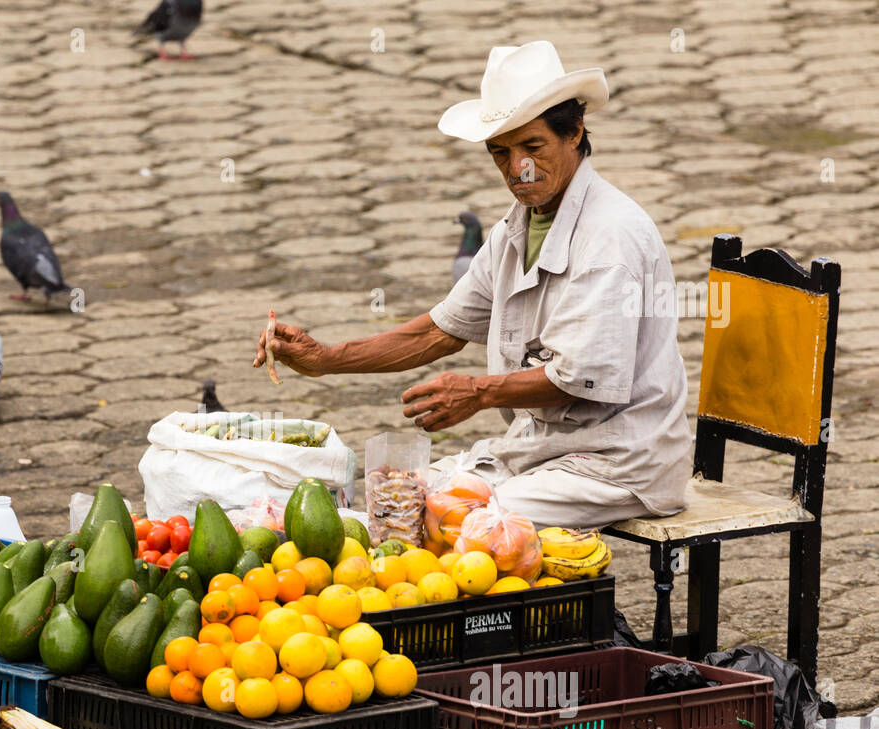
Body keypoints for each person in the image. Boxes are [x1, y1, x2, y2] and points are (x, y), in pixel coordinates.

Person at [254, 41, 691, 530]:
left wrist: (480, 393)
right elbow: (440, 332)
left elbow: (578, 379)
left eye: (533, 147)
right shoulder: (515, 228)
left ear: (575, 134)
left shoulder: (612, 235)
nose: (516, 169)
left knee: (454, 524)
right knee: (396, 501)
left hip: (620, 463)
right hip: (541, 451)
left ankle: (593, 612)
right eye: (500, 153)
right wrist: (327, 359)